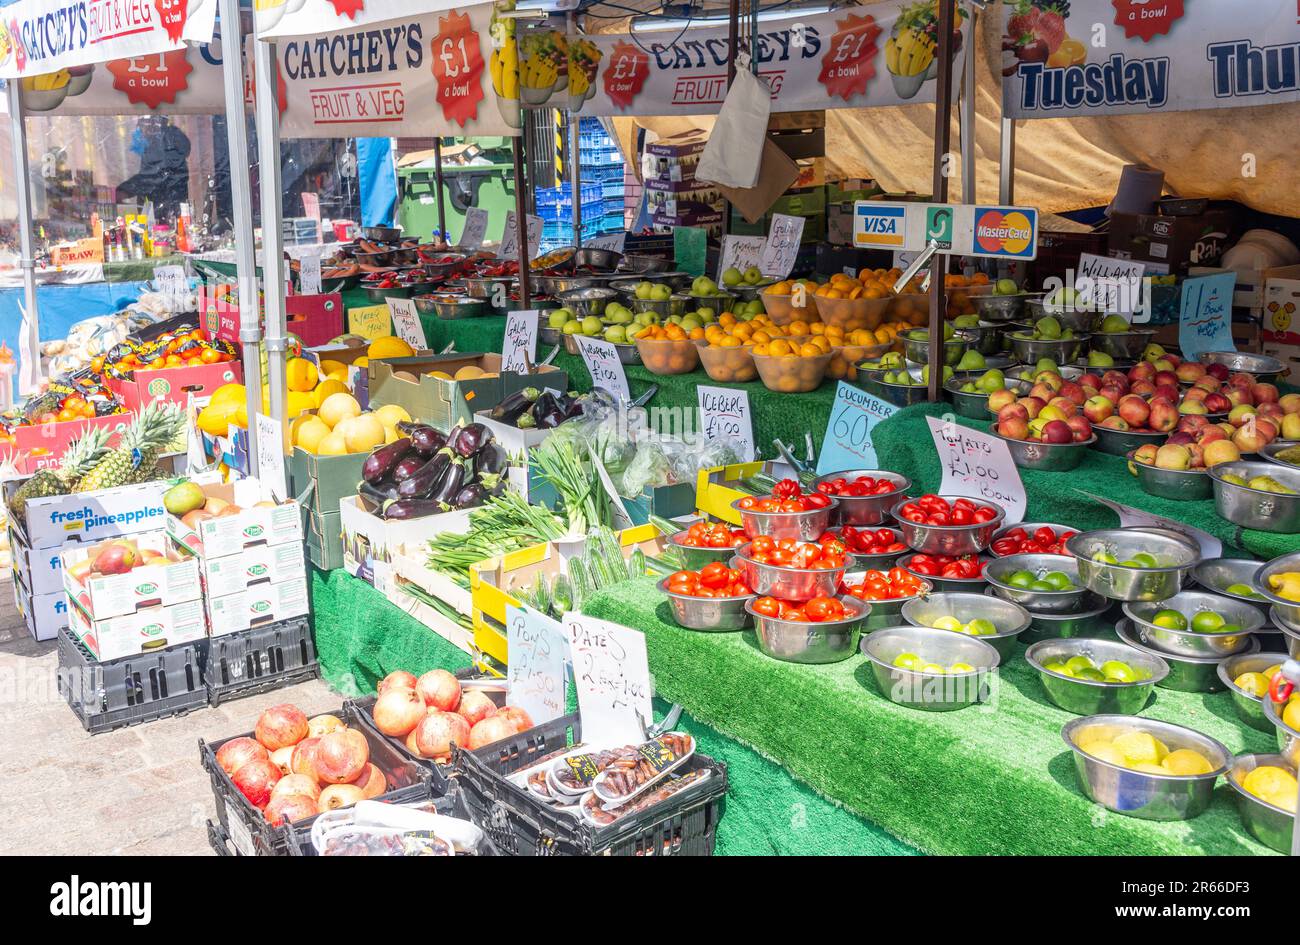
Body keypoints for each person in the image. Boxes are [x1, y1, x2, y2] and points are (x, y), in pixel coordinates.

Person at [117, 116, 192, 221]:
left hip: (164, 211)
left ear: (154, 123)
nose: (142, 130)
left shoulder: (163, 141)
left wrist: (123, 191)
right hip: (169, 208)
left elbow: (151, 177)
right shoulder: (162, 141)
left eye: (143, 124)